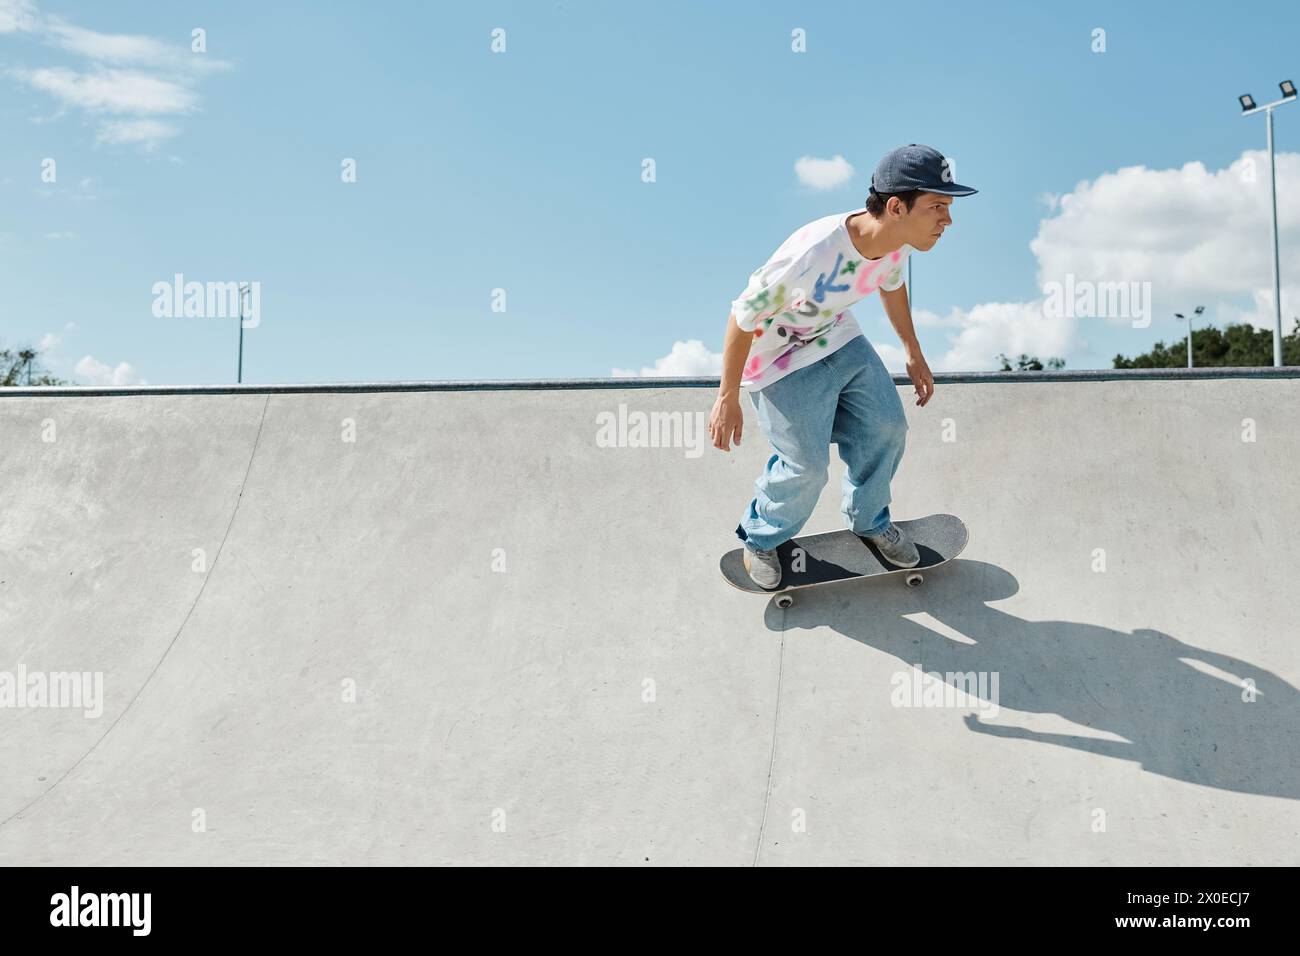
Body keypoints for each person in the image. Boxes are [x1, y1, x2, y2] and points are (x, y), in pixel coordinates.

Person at [709, 144, 977, 590]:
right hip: (778, 361)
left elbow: (891, 285)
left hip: (838, 338)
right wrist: (727, 396)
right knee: (806, 469)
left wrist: (912, 349)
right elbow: (741, 316)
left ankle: (869, 520)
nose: (947, 221)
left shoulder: (898, 243)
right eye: (937, 207)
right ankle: (760, 538)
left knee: (887, 429)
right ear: (896, 207)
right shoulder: (811, 253)